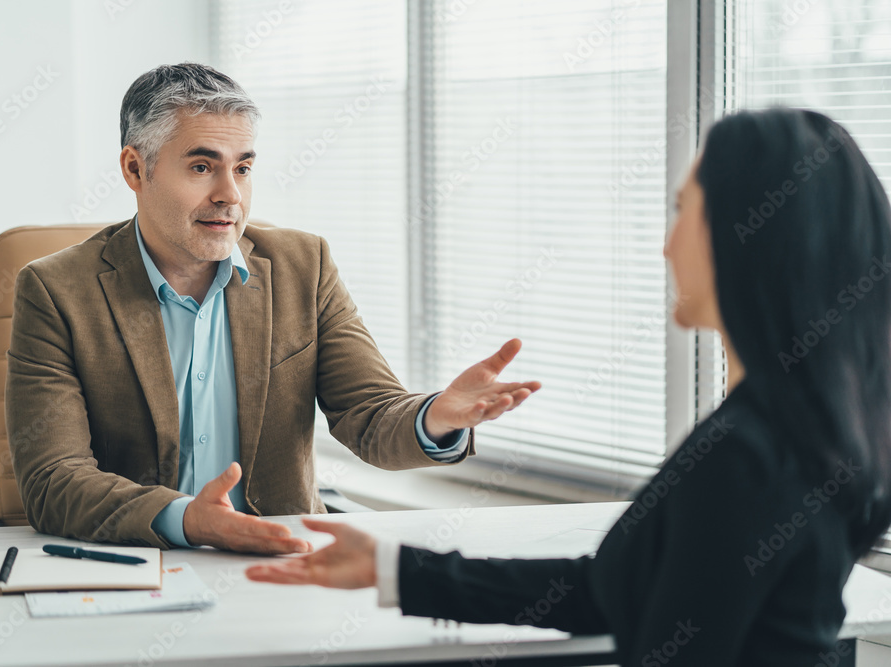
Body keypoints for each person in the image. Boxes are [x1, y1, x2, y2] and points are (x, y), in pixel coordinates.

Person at [245, 108, 891, 666]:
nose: (667, 247)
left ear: (746, 236)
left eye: (682, 212)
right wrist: (390, 568)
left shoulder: (747, 456)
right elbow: (607, 589)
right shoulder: (808, 430)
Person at [5, 63, 540, 553]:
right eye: (201, 167)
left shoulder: (302, 266)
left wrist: (436, 417)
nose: (229, 195)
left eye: (242, 168)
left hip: (284, 560)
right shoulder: (55, 291)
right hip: (140, 563)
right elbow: (54, 480)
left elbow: (370, 415)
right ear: (134, 168)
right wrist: (186, 519)